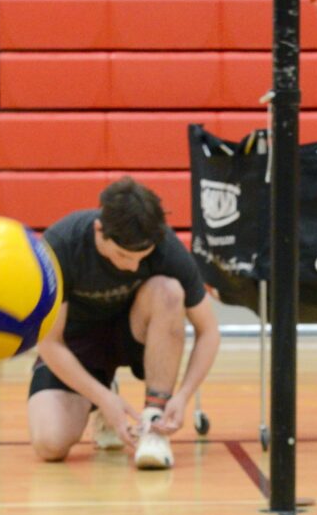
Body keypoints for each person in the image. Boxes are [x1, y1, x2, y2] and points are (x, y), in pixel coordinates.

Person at [26, 176, 220, 470]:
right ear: (99, 230)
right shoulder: (61, 245)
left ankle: (154, 422)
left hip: (134, 335)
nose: (133, 266)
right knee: (50, 444)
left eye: (142, 258)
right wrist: (104, 399)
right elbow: (49, 343)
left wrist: (182, 396)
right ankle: (105, 390)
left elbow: (209, 332)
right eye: (123, 256)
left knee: (169, 291)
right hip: (77, 343)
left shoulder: (165, 246)